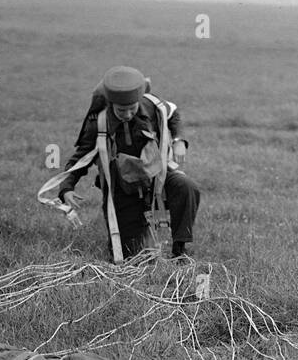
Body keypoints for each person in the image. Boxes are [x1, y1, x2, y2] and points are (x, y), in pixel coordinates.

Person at [56, 66, 200, 260]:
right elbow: (82, 156)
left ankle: (179, 250)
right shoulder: (99, 122)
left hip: (156, 177)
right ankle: (138, 230)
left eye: (132, 108)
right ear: (111, 104)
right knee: (128, 255)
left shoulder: (152, 106)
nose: (128, 114)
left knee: (186, 187)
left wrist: (179, 140)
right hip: (123, 189)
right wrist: (67, 187)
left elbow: (172, 113)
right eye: (121, 110)